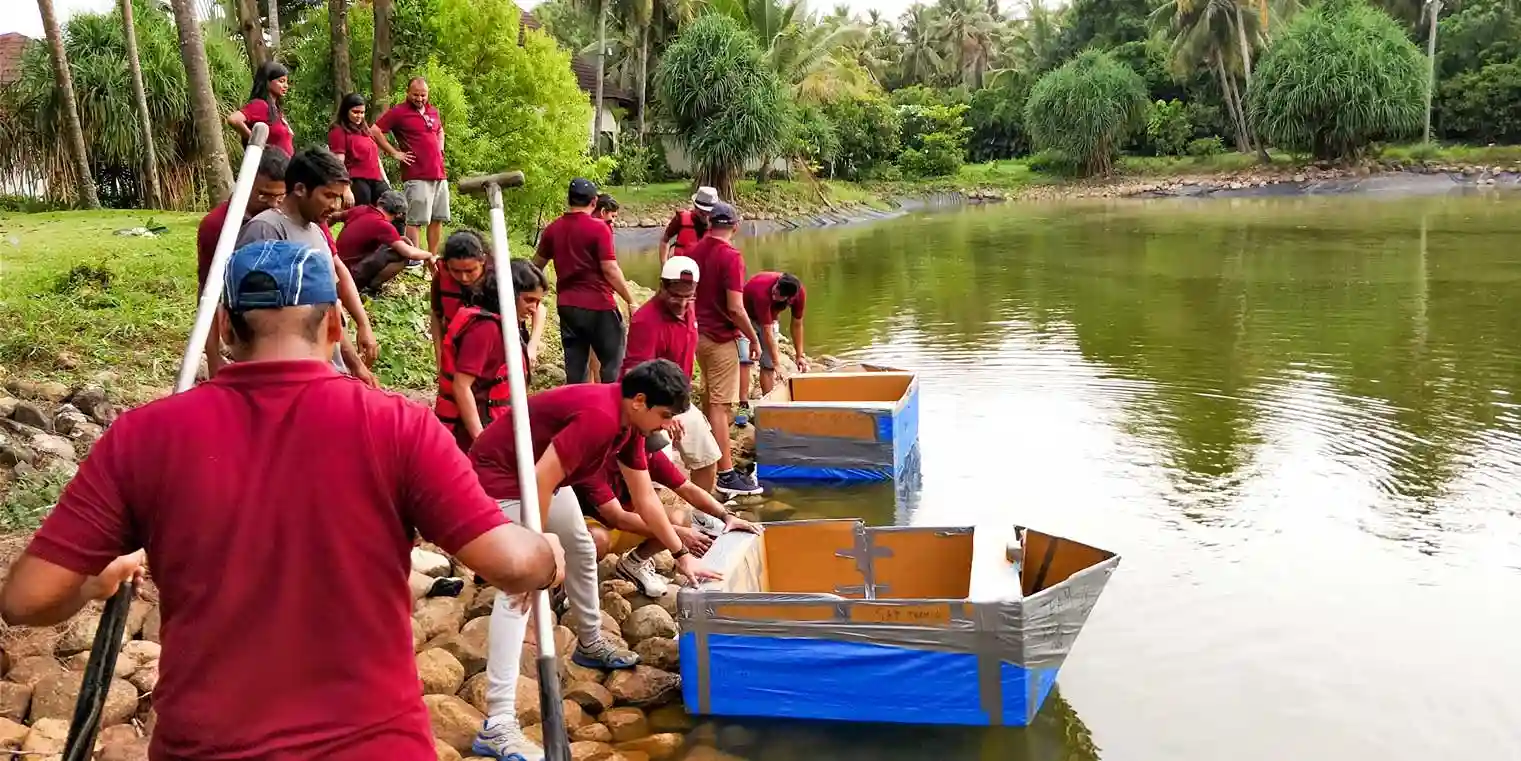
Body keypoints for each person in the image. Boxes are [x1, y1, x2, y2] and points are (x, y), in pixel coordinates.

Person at [0, 239, 565, 760]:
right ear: (336, 328)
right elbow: (510, 565)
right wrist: (544, 553)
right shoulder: (400, 427)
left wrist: (94, 584)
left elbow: (25, 601)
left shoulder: (142, 436)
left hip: (207, 747)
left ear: (225, 327)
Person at [468, 360, 720, 760]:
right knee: (520, 585)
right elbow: (538, 480)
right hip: (502, 478)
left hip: (545, 476)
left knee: (582, 547)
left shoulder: (631, 423)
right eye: (665, 416)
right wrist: (539, 543)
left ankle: (590, 642)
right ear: (639, 401)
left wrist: (681, 555)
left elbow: (646, 498)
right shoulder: (599, 418)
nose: (666, 426)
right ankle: (497, 724)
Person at [237, 147, 379, 387]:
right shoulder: (266, 230)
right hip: (291, 378)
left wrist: (354, 364)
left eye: (338, 197)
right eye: (328, 196)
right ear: (300, 189)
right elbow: (255, 318)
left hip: (325, 370)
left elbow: (328, 306)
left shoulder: (316, 232)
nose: (335, 206)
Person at [576, 434, 760, 598]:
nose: (648, 457)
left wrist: (725, 515)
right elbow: (617, 517)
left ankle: (634, 563)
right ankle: (576, 589)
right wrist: (677, 535)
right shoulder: (595, 465)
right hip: (596, 522)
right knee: (595, 540)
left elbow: (687, 488)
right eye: (644, 451)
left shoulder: (649, 456)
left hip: (630, 519)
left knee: (678, 518)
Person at [621, 255, 724, 495]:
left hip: (680, 400)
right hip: (650, 405)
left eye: (689, 297)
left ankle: (702, 521)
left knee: (708, 459)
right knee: (655, 475)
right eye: (676, 296)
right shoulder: (646, 321)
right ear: (662, 286)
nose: (682, 303)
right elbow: (636, 377)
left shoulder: (689, 307)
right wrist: (663, 418)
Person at [686, 203, 763, 497]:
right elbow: (735, 307)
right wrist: (753, 337)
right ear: (736, 225)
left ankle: (707, 461)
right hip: (720, 340)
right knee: (720, 406)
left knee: (709, 400)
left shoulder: (692, 252)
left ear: (708, 223)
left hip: (698, 336)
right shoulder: (731, 257)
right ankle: (726, 474)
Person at [196, 147, 290, 379]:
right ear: (244, 184)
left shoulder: (288, 217)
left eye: (279, 197)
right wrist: (213, 356)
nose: (272, 205)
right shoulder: (217, 225)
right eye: (263, 195)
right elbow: (208, 295)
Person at [437, 259, 548, 451]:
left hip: (491, 423)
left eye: (538, 302)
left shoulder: (503, 323)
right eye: (529, 300)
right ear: (508, 294)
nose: (534, 309)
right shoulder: (485, 329)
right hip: (467, 434)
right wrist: (481, 441)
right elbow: (462, 386)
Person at [533, 178, 636, 385]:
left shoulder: (553, 229)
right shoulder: (599, 229)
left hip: (568, 307)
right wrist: (630, 299)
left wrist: (534, 296)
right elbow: (610, 269)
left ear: (569, 199)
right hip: (599, 306)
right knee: (612, 366)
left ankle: (578, 410)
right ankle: (611, 411)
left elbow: (535, 267)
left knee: (576, 369)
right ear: (594, 202)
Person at [372, 77, 448, 255]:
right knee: (415, 219)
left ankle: (432, 257)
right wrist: (394, 152)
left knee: (437, 218)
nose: (420, 99)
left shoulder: (433, 111)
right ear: (408, 93)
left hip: (439, 173)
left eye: (423, 95)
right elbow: (375, 130)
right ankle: (415, 258)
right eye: (416, 95)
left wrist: (440, 146)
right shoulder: (399, 112)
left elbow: (440, 130)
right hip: (417, 174)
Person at [335, 190, 434, 292]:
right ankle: (368, 287)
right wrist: (430, 255)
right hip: (350, 275)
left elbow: (334, 216)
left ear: (379, 201)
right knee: (402, 256)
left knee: (394, 246)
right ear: (399, 214)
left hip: (335, 267)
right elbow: (409, 253)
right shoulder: (383, 225)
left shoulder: (361, 209)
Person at [740, 271, 809, 403]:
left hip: (769, 319)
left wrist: (800, 355)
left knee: (768, 364)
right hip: (745, 317)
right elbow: (767, 332)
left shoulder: (799, 295)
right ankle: (743, 403)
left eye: (778, 294)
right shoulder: (762, 291)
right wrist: (778, 364)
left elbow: (797, 324)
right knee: (745, 359)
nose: (774, 292)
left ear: (789, 298)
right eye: (775, 288)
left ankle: (770, 403)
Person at [328, 92, 389, 207]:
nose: (359, 116)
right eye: (355, 112)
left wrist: (385, 180)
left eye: (362, 112)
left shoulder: (365, 130)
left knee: (391, 205)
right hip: (356, 179)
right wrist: (346, 189)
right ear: (346, 111)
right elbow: (338, 163)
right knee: (363, 212)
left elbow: (376, 158)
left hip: (376, 179)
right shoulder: (338, 131)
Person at [228, 60, 296, 159]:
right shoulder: (260, 105)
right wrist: (256, 142)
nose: (286, 86)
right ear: (267, 82)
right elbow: (234, 119)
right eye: (281, 81)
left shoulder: (276, 110)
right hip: (269, 168)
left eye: (286, 82)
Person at [658, 186, 717, 264]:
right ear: (695, 207)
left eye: (709, 212)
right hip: (682, 269)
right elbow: (664, 241)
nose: (706, 216)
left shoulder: (719, 224)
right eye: (702, 213)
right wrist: (664, 266)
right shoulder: (681, 219)